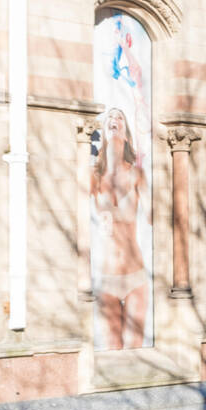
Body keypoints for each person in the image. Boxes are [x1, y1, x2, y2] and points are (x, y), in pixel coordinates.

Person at [91, 106, 151, 349]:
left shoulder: (137, 174)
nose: (114, 120)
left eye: (119, 118)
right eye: (110, 118)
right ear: (104, 132)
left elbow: (154, 216)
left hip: (135, 274)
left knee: (135, 348)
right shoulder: (93, 175)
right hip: (106, 276)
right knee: (111, 348)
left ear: (126, 135)